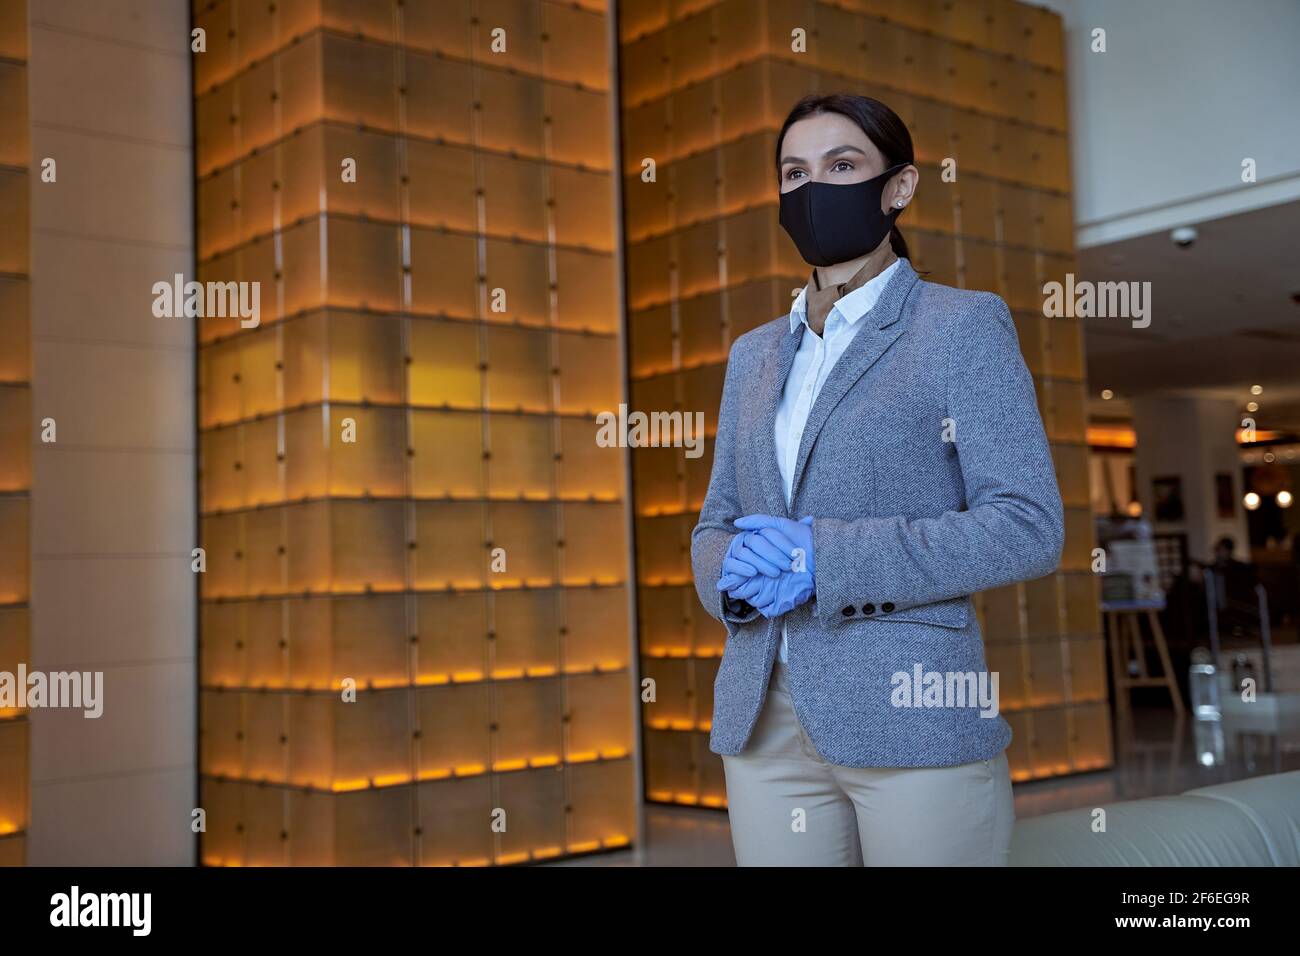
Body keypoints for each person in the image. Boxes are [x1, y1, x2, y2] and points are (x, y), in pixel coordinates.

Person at [690, 93, 1064, 866]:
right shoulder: (754, 354)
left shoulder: (961, 325)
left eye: (842, 165)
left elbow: (1027, 525)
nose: (813, 187)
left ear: (899, 187)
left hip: (913, 711)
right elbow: (715, 519)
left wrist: (826, 559)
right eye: (795, 172)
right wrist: (729, 574)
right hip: (763, 718)